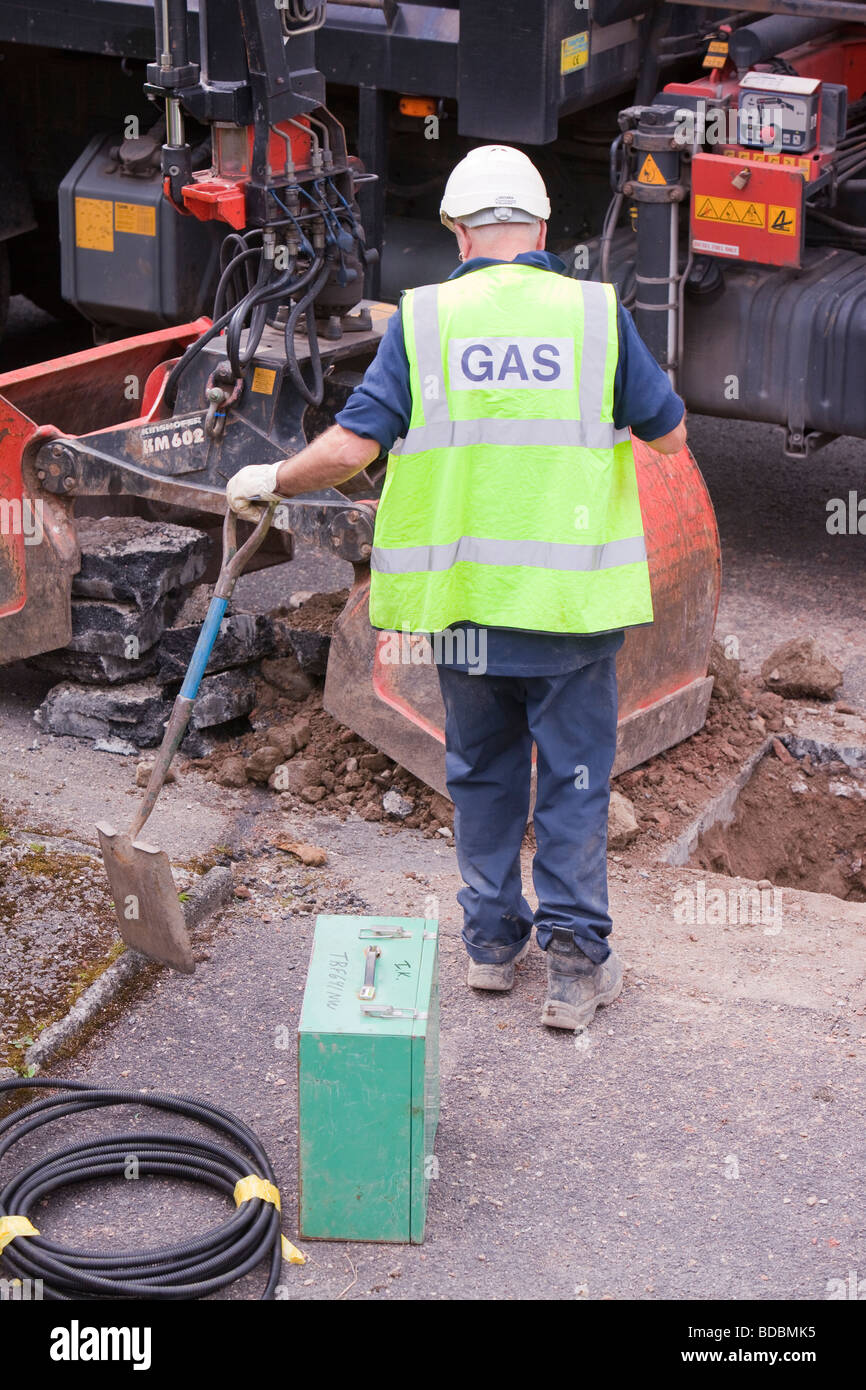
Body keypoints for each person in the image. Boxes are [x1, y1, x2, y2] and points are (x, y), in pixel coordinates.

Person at [227, 144, 686, 1031]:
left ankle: (487, 948)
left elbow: (352, 449)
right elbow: (668, 440)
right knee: (575, 783)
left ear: (457, 232)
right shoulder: (595, 314)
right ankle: (576, 972)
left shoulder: (425, 319)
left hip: (463, 610)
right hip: (569, 613)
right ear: (543, 229)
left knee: (480, 775)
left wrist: (272, 480)